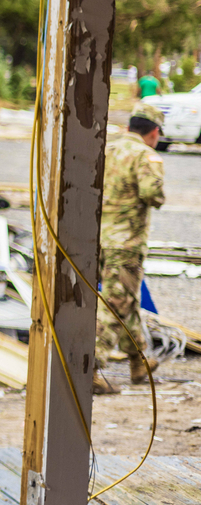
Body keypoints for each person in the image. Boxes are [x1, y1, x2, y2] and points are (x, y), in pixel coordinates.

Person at [95, 102, 166, 393]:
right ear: (155, 132)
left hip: (100, 239)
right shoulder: (145, 156)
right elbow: (152, 194)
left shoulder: (106, 149)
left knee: (128, 299)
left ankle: (138, 361)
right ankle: (91, 367)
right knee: (116, 304)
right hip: (126, 243)